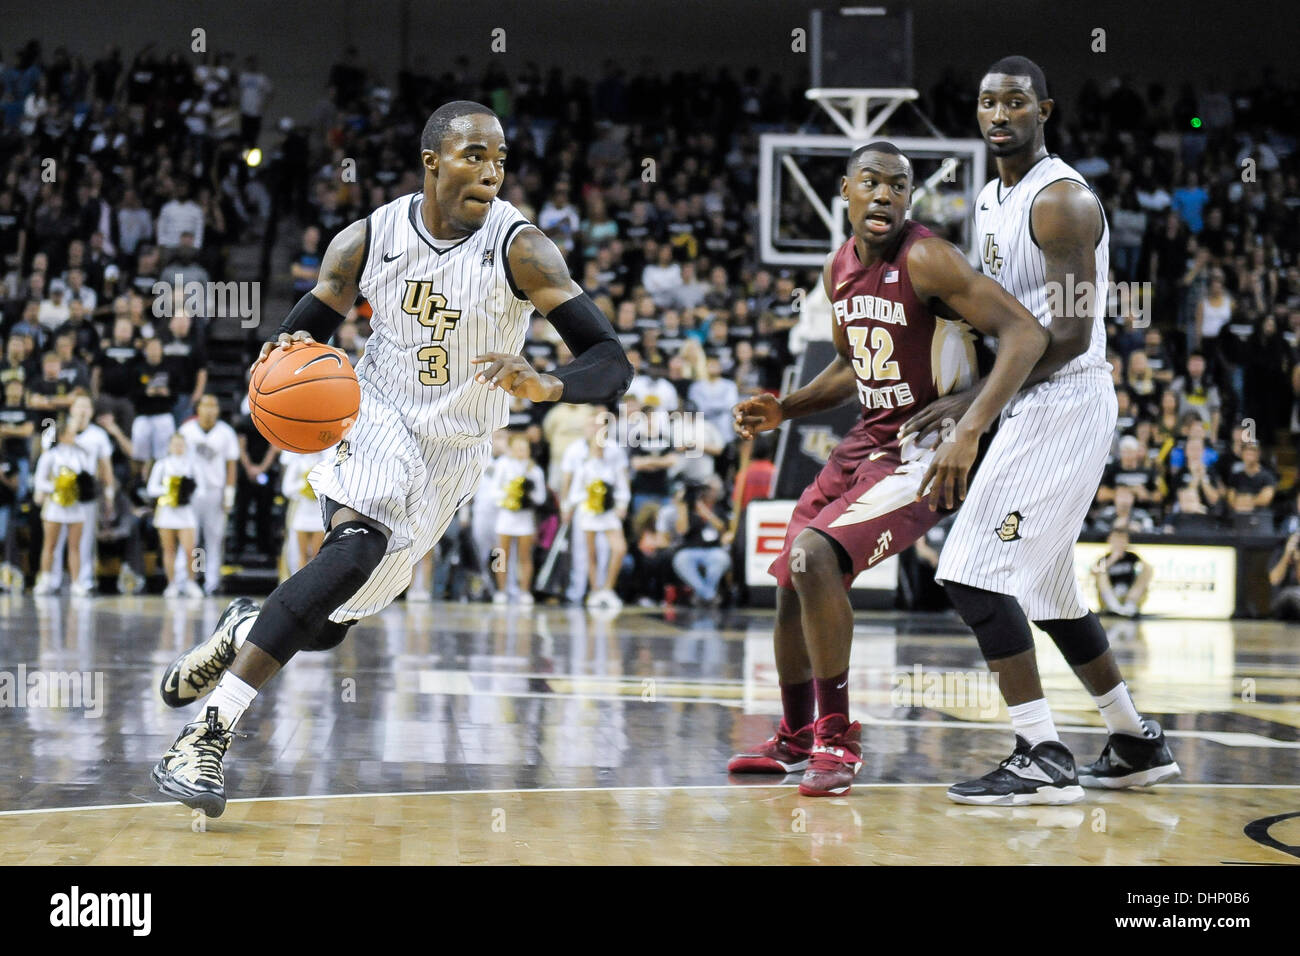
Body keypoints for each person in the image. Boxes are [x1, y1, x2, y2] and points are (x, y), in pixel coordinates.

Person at [153, 101, 633, 816]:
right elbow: (317, 312)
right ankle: (207, 733)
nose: (491, 173)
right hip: (374, 411)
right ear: (432, 160)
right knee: (353, 548)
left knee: (329, 623)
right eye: (474, 155)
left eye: (500, 160)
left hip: (457, 448)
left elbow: (610, 359)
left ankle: (242, 628)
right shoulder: (367, 239)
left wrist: (550, 384)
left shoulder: (522, 249)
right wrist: (281, 353)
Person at [727, 142, 1049, 797]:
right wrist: (785, 407)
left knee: (815, 560)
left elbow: (1026, 335)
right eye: (871, 183)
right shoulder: (837, 268)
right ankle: (794, 736)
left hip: (924, 452)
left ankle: (838, 743)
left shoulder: (928, 258)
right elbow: (854, 369)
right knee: (793, 576)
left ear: (909, 198)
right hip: (865, 442)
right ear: (844, 190)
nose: (884, 196)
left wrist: (968, 423)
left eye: (898, 187)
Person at [901, 56, 1179, 804]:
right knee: (1053, 593)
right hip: (1032, 396)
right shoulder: (993, 196)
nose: (999, 114)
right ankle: (1134, 741)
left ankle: (1041, 753)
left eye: (1015, 102)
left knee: (970, 572)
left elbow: (1069, 332)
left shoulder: (1061, 203)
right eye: (988, 102)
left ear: (1044, 111)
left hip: (1065, 398)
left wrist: (969, 414)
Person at [561, 413, 630, 610]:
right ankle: (594, 591)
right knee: (590, 553)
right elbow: (572, 488)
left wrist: (621, 505)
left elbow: (622, 483)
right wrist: (571, 505)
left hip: (608, 512)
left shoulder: (614, 454)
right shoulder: (582, 461)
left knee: (618, 548)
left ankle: (608, 588)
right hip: (588, 512)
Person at [178, 394, 239, 594]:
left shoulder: (226, 433)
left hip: (216, 492)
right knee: (191, 539)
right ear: (198, 408)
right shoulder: (186, 431)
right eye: (206, 405)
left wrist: (229, 493)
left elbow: (231, 464)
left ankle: (211, 582)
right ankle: (191, 579)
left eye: (214, 406)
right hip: (192, 492)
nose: (210, 410)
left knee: (214, 538)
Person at [31, 417, 95, 596]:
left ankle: (76, 582)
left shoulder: (81, 455)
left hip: (75, 506)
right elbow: (39, 481)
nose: (73, 437)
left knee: (75, 546)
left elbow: (87, 478)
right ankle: (45, 580)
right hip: (55, 505)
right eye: (69, 433)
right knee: (50, 545)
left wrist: (79, 487)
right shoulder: (50, 456)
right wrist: (57, 486)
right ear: (61, 436)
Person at [488, 430, 546, 605]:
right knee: (502, 555)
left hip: (524, 517)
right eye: (518, 448)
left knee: (525, 556)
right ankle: (501, 591)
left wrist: (526, 496)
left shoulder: (534, 469)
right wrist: (508, 497)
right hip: (506, 517)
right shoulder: (503, 465)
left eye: (524, 448)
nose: (521, 452)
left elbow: (541, 497)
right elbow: (494, 492)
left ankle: (524, 591)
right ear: (511, 449)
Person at [146, 431, 204, 597]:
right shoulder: (162, 465)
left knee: (192, 550)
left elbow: (201, 489)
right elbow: (151, 488)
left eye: (181, 444)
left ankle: (193, 582)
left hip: (186, 513)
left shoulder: (192, 465)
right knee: (168, 550)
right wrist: (170, 490)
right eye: (175, 444)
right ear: (170, 446)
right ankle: (171, 584)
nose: (178, 448)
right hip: (167, 513)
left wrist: (188, 492)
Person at [279, 448, 330, 574]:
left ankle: (314, 586)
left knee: (316, 554)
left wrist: (317, 487)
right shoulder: (298, 462)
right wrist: (303, 485)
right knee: (300, 555)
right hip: (302, 512)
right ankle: (298, 584)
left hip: (318, 513)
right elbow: (286, 488)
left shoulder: (326, 462)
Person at [1091, 526, 1153, 618]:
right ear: (1110, 541)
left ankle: (1130, 605)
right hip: (1111, 595)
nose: (1119, 543)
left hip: (1129, 595)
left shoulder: (1132, 557)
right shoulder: (1105, 558)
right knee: (1101, 572)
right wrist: (1113, 558)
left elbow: (1147, 569)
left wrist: (1137, 552)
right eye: (1116, 540)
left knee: (1148, 569)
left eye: (1122, 540)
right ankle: (1113, 607)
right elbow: (1093, 572)